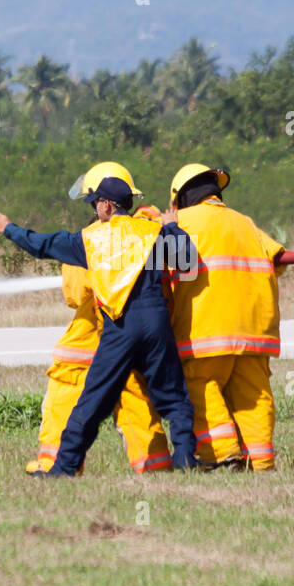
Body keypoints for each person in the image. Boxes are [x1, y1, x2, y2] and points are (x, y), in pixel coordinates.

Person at [0, 164, 198, 477]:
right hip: (156, 323)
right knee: (174, 398)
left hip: (119, 328)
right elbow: (186, 261)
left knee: (91, 404)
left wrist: (8, 228)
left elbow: (41, 245)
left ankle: (64, 469)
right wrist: (172, 226)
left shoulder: (89, 239)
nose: (95, 208)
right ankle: (186, 461)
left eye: (95, 202)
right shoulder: (153, 231)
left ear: (107, 205)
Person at [33, 203, 173, 476]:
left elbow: (75, 296)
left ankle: (53, 464)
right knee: (136, 404)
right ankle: (155, 467)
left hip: (85, 349)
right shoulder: (147, 235)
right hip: (134, 341)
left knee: (67, 405)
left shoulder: (91, 239)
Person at [167, 163, 285, 471]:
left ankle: (222, 453)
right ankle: (261, 461)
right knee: (253, 396)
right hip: (256, 331)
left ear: (179, 198)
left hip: (206, 331)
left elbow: (160, 273)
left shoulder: (179, 223)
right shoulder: (245, 222)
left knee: (200, 387)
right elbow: (279, 261)